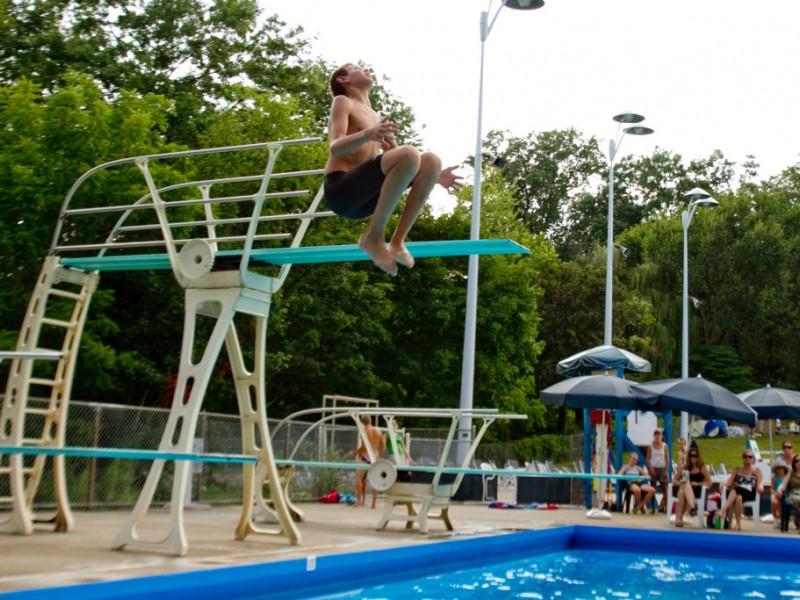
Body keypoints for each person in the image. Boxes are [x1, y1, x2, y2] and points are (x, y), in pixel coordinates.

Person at [323, 63, 463, 276]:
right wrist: (368, 134)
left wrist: (433, 176)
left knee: (431, 160)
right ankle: (374, 236)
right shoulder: (343, 102)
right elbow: (336, 147)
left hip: (367, 200)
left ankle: (397, 242)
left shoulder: (377, 118)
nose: (366, 69)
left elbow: (403, 164)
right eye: (358, 68)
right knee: (409, 153)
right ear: (344, 80)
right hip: (341, 191)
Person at [716, 449, 764, 531]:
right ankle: (738, 524)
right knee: (739, 498)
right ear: (742, 458)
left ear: (753, 459)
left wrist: (760, 487)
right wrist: (722, 484)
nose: (747, 459)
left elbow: (760, 482)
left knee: (737, 488)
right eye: (745, 456)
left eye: (750, 457)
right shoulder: (737, 470)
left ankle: (722, 510)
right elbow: (729, 482)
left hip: (750, 492)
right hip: (737, 493)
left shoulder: (756, 470)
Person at [348, 415, 386, 508]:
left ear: (362, 422)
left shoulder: (364, 431)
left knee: (359, 479)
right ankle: (374, 503)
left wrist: (353, 453)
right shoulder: (378, 431)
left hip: (365, 456)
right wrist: (380, 456)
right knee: (375, 480)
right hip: (375, 455)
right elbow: (383, 445)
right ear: (370, 420)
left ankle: (359, 501)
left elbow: (363, 447)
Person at [671, 447, 711, 527]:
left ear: (698, 457)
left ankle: (679, 519)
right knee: (685, 485)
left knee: (683, 491)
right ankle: (692, 507)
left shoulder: (702, 468)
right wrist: (680, 483)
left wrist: (698, 484)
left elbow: (709, 482)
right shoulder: (684, 467)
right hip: (682, 487)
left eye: (695, 456)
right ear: (688, 457)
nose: (693, 458)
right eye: (691, 456)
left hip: (695, 490)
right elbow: (674, 480)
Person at [646, 429, 670, 513]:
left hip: (662, 468)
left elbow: (667, 459)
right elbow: (648, 459)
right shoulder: (650, 446)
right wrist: (651, 469)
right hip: (654, 468)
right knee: (653, 488)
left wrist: (666, 470)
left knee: (665, 489)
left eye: (659, 435)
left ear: (661, 436)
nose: (657, 436)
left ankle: (666, 507)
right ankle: (653, 508)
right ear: (654, 436)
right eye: (655, 435)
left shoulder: (664, 446)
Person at [775, 454, 800, 533]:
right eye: (797, 461)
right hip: (792, 495)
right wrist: (779, 489)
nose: (799, 462)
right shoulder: (791, 473)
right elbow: (783, 485)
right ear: (794, 463)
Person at [770, 458, 789, 529]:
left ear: (784, 469)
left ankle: (781, 520)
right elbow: (771, 489)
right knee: (774, 502)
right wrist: (775, 493)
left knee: (781, 503)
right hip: (775, 494)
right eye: (778, 468)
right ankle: (775, 518)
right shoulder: (774, 478)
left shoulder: (787, 477)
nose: (780, 470)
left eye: (781, 468)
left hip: (785, 494)